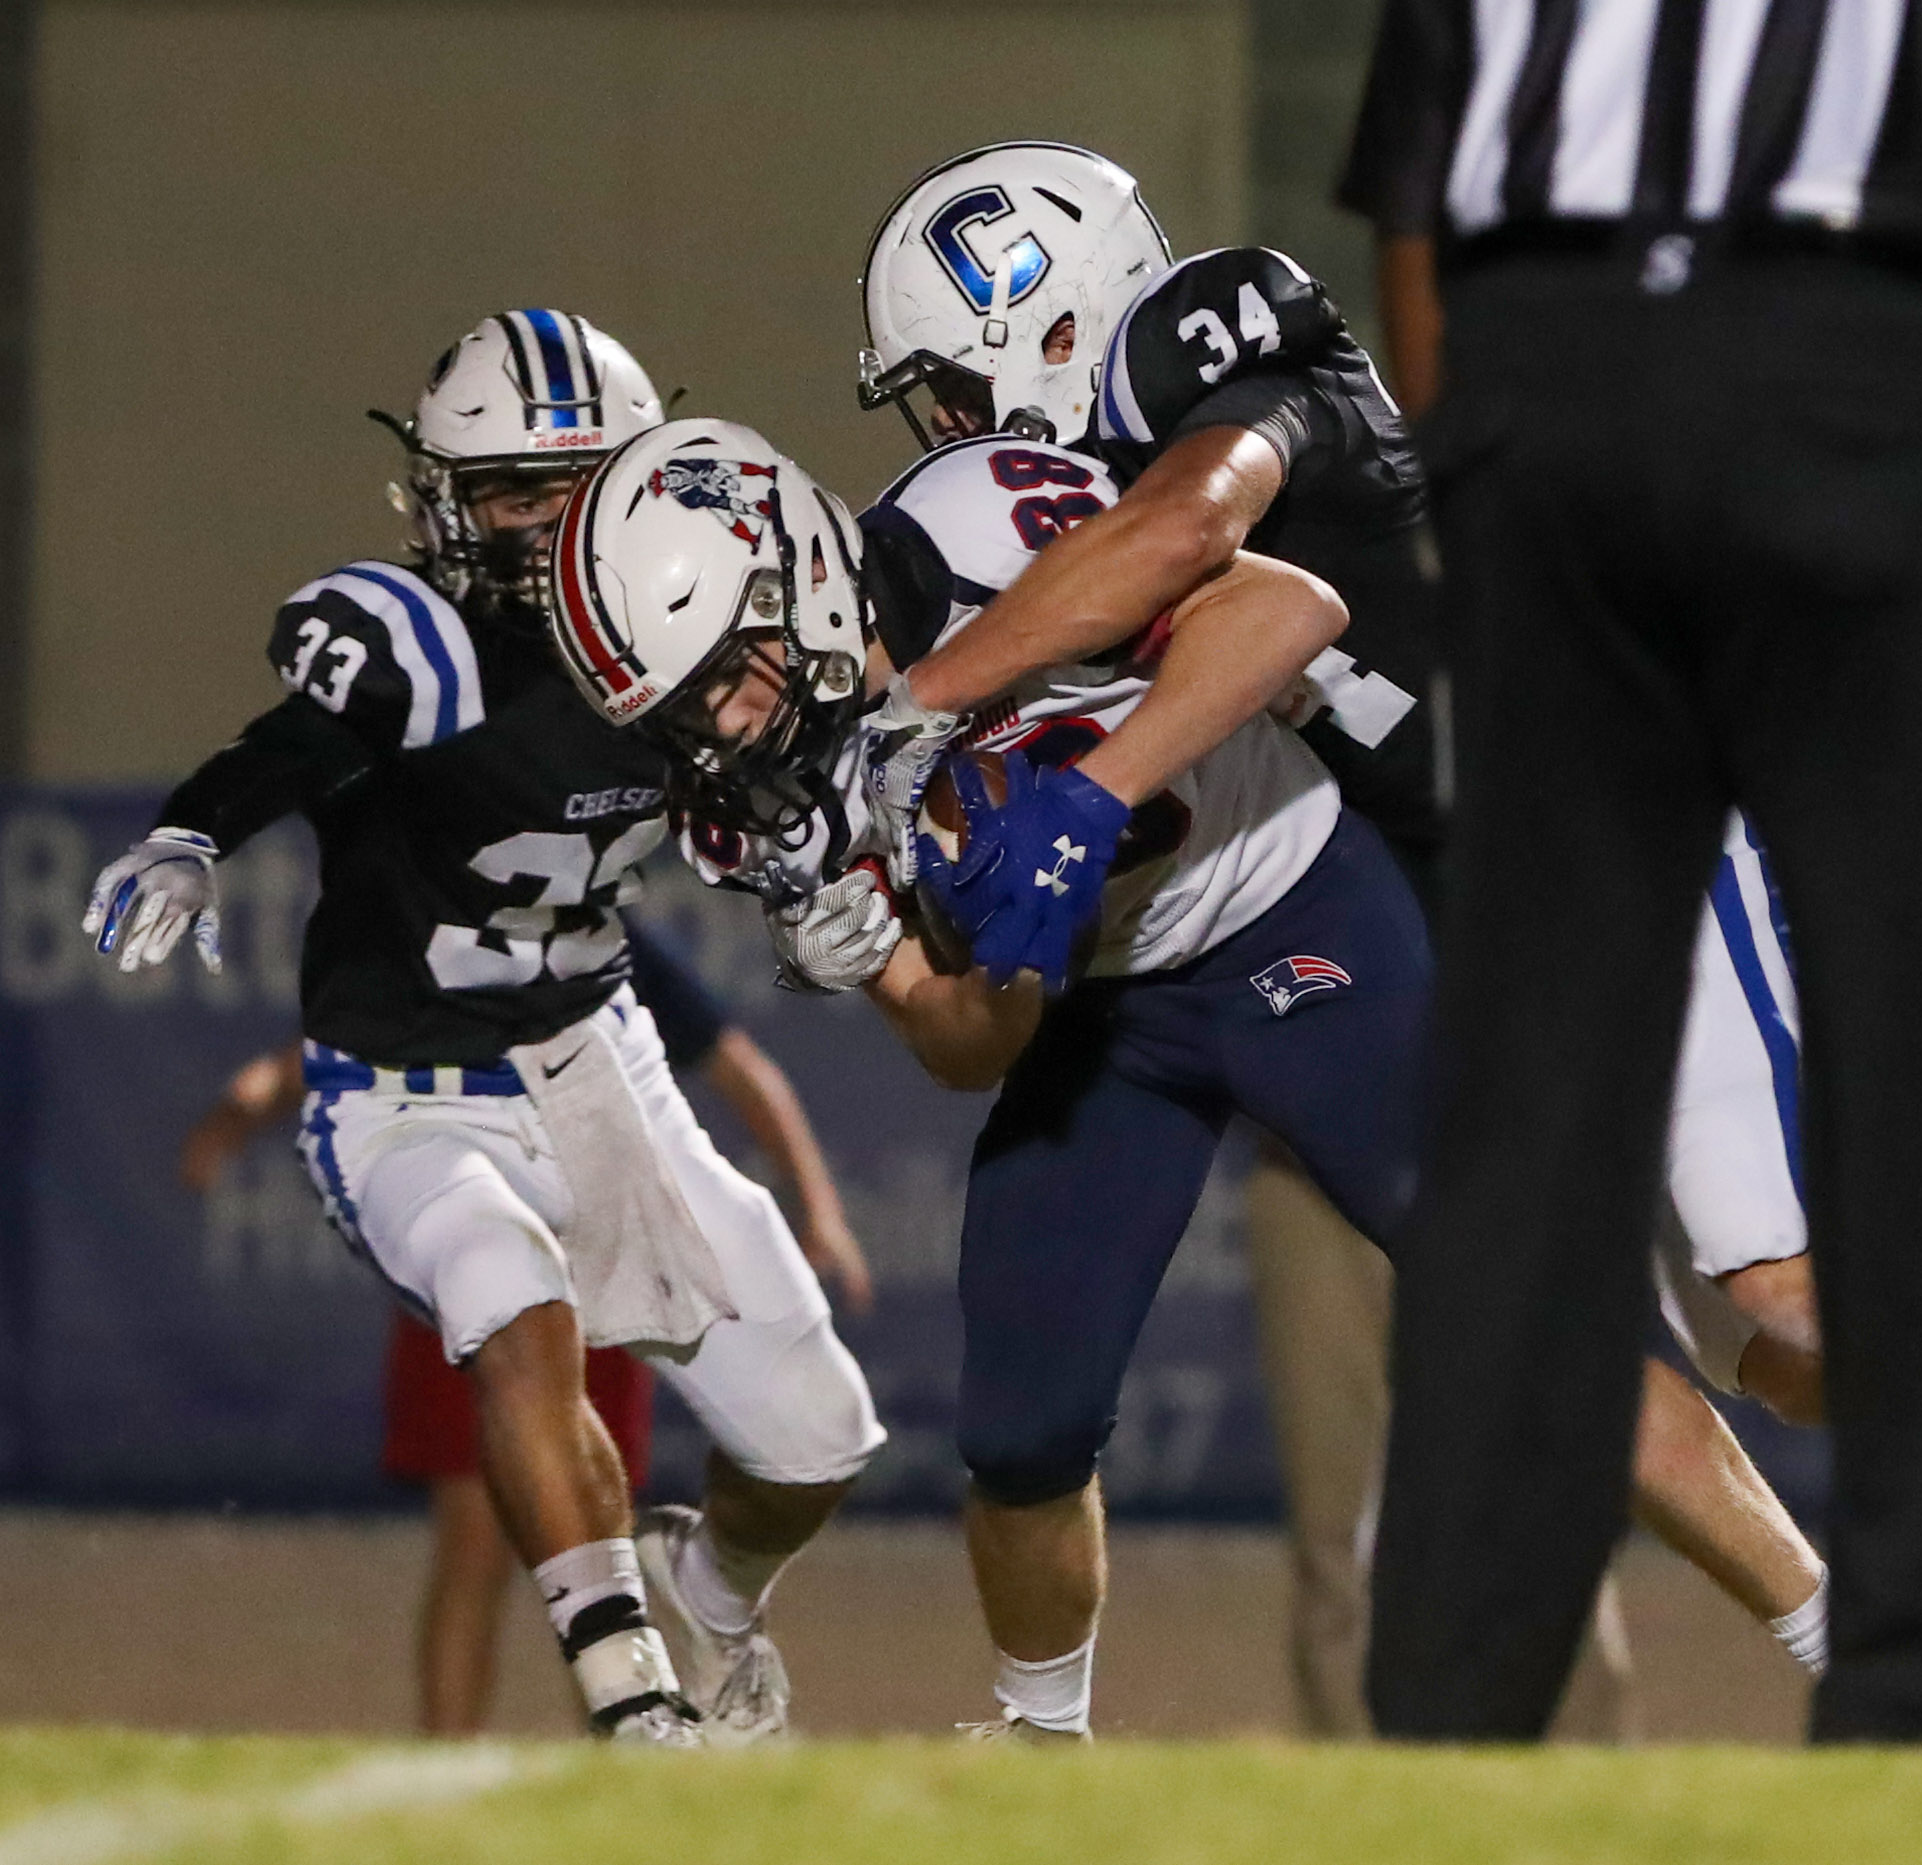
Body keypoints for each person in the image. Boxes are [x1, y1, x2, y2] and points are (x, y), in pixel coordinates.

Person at [853, 142, 1848, 1712]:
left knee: (1775, 1316)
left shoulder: (1214, 334)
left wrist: (915, 703)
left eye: (955, 392)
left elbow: (1198, 539)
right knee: (1750, 1353)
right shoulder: (1075, 501)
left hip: (1603, 846)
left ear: (1044, 327)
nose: (953, 441)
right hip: (1455, 915)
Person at [1337, 3, 1922, 1742]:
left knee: (1529, 1122)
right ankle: (1901, 1696)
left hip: (1548, 366)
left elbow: (1412, 172)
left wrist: (1481, 470)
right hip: (1863, 345)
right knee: (1921, 1076)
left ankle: (1447, 1711)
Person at [550, 411, 1426, 1740]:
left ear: (791, 571)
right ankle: (1041, 1741)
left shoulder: (973, 523)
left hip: (1284, 889)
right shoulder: (749, 805)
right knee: (1021, 1424)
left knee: (1506, 1275)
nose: (717, 734)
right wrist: (967, 950)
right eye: (678, 717)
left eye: (721, 679)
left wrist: (1077, 794)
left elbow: (1284, 608)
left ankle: (1814, 1618)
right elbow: (970, 1049)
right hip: (1101, 1003)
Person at [85, 313, 883, 1745]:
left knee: (818, 1432)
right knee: (513, 1306)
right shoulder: (426, 646)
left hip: (599, 1057)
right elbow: (292, 747)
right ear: (450, 502)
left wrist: (842, 899)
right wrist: (193, 835)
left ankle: (704, 1588)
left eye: (565, 492)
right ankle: (635, 1708)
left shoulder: (700, 631)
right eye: (508, 493)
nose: (533, 531)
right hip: (408, 1090)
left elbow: (799, 796)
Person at [179, 914, 872, 1735]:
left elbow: (740, 1066)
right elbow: (335, 1046)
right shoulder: (432, 892)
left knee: (593, 1533)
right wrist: (245, 1104)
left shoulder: (593, 915)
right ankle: (456, 1759)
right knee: (476, 1540)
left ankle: (628, 1740)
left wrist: (818, 1208)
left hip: (589, 1251)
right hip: (467, 1230)